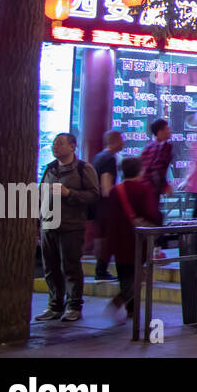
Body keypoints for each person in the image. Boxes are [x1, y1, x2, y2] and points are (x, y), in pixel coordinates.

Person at [36, 133, 100, 322]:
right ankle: (54, 305)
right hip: (48, 224)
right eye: (54, 144)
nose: (55, 147)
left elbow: (94, 195)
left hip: (71, 225)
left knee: (70, 266)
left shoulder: (83, 169)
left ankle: (74, 306)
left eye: (60, 144)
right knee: (50, 267)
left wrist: (69, 193)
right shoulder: (49, 169)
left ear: (72, 147)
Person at [103, 157, 161, 323]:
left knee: (124, 274)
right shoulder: (143, 189)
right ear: (139, 170)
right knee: (136, 274)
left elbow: (108, 218)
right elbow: (152, 213)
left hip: (118, 241)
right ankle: (125, 303)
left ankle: (130, 307)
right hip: (138, 240)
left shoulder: (115, 191)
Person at [90, 129, 125, 280]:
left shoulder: (98, 157)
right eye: (122, 140)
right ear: (116, 141)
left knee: (103, 237)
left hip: (96, 205)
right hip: (105, 206)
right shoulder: (110, 159)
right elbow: (106, 185)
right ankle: (101, 270)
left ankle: (101, 268)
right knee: (108, 238)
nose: (124, 143)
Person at [140, 119, 173, 197]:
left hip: (143, 187)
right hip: (152, 189)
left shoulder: (148, 147)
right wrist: (165, 186)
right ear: (160, 132)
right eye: (167, 129)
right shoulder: (165, 147)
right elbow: (157, 168)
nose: (170, 131)